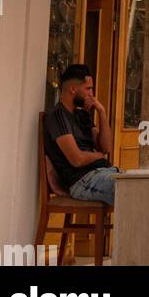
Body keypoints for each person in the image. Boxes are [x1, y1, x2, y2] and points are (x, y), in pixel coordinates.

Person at [44, 63, 119, 205]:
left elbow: (106, 147)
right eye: (88, 88)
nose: (91, 94)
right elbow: (77, 159)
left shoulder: (82, 115)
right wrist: (98, 155)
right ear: (73, 89)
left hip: (102, 172)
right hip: (81, 180)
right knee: (130, 191)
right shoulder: (58, 116)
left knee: (139, 184)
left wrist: (102, 112)